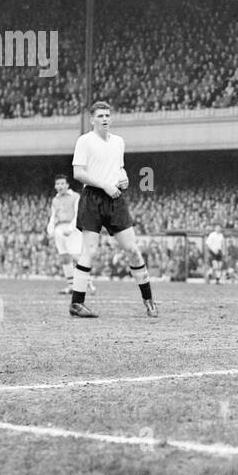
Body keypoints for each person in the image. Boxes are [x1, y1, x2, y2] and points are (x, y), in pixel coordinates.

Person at [67, 100, 157, 319]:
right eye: (100, 116)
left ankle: (149, 300)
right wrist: (104, 184)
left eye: (107, 115)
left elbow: (119, 168)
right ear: (92, 119)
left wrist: (123, 178)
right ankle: (76, 303)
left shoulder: (118, 141)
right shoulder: (85, 141)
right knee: (90, 250)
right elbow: (78, 173)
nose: (105, 119)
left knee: (133, 250)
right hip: (93, 198)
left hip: (115, 199)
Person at [46, 174, 88, 294]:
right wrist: (50, 229)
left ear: (67, 185)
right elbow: (53, 216)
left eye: (62, 183)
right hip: (60, 229)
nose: (60, 186)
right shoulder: (55, 200)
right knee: (64, 257)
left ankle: (87, 282)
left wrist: (71, 228)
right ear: (55, 186)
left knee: (76, 256)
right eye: (58, 184)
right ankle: (70, 285)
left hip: (72, 229)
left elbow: (77, 214)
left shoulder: (75, 196)